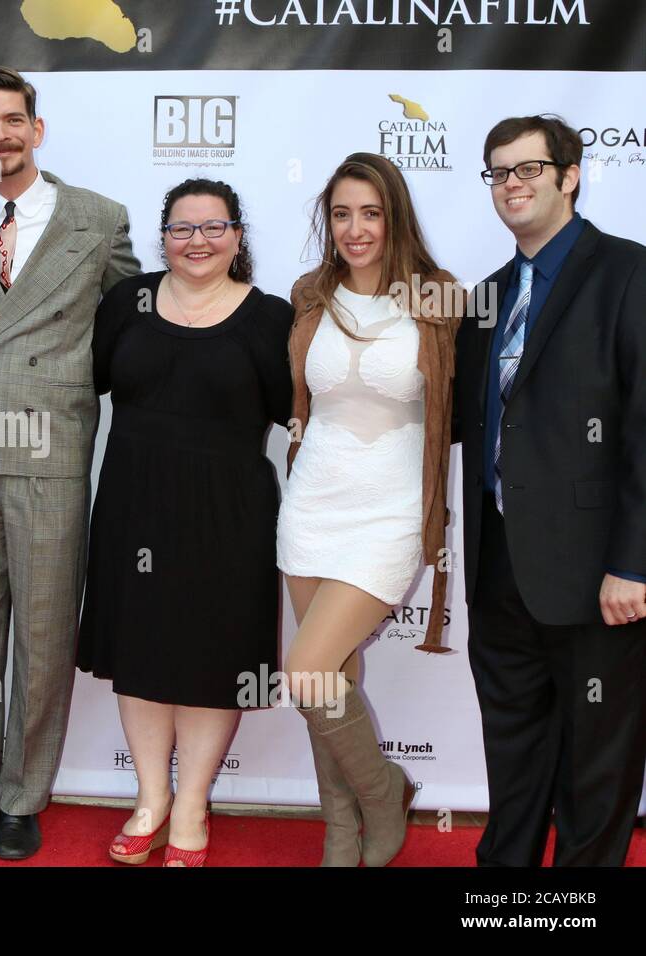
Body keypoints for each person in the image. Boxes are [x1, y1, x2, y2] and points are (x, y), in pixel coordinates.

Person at [0, 66, 140, 861]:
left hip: (50, 446)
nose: (0, 135)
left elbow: (134, 326)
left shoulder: (99, 220)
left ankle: (23, 797)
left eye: (14, 120)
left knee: (43, 634)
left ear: (36, 130)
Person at [77, 179, 292, 867]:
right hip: (133, 503)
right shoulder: (127, 302)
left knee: (211, 659)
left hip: (229, 513)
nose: (197, 240)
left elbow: (299, 414)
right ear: (162, 236)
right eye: (182, 228)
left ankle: (192, 803)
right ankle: (150, 799)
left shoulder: (271, 318)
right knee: (140, 655)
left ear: (238, 235)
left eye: (214, 226)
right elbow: (92, 382)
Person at [454, 115, 646, 866]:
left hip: (600, 573)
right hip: (500, 568)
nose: (512, 185)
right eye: (499, 172)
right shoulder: (488, 297)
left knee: (598, 761)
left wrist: (634, 562)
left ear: (570, 175)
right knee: (514, 747)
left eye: (529, 169)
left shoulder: (628, 273)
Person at [277, 152, 460, 866]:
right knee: (334, 681)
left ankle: (383, 792)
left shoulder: (437, 299)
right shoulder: (309, 296)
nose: (356, 229)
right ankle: (341, 829)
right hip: (311, 507)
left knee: (308, 672)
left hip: (387, 514)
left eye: (371, 213)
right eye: (343, 213)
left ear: (395, 218)